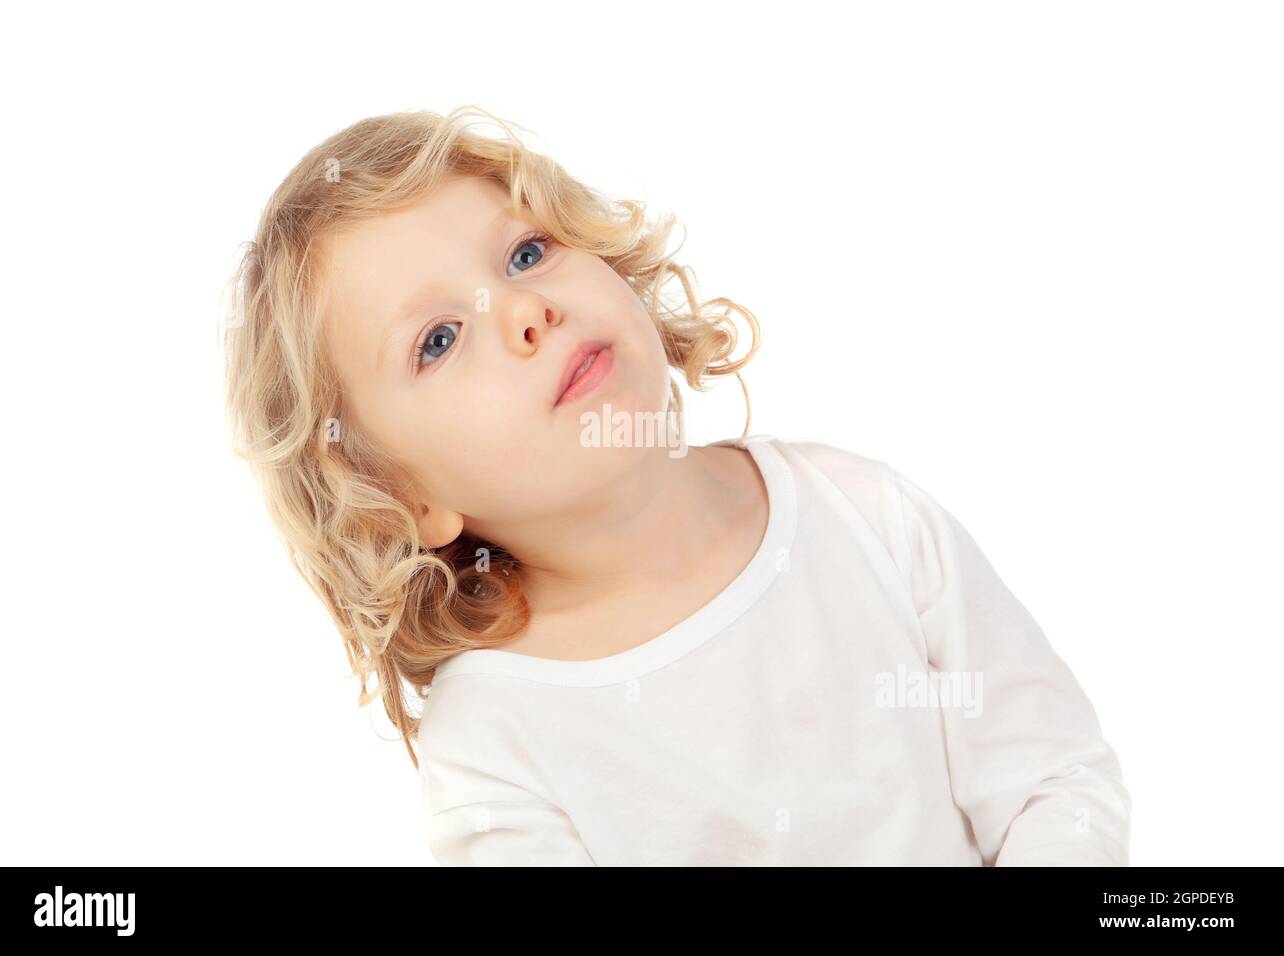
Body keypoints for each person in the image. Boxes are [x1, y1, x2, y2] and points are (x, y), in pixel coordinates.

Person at [221, 104, 1131, 866]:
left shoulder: (865, 517)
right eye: (440, 339)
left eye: (526, 255)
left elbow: (1056, 785)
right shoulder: (496, 743)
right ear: (406, 500)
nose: (528, 313)